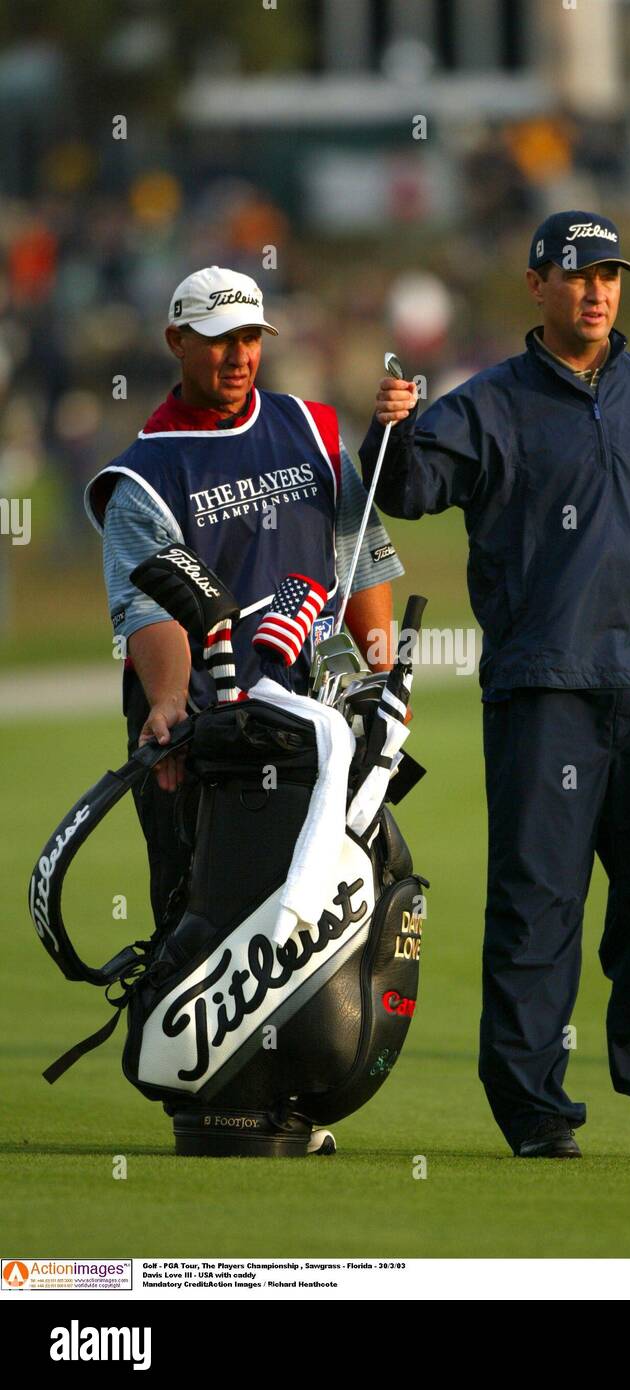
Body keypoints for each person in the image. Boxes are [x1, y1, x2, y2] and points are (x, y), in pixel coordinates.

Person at [360, 211, 630, 1160]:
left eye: (608, 274)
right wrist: (396, 430)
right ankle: (533, 1107)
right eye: (576, 274)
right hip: (545, 689)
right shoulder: (487, 402)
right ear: (536, 285)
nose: (595, 290)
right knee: (538, 904)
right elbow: (407, 492)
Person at [84, 265, 404, 938]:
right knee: (196, 919)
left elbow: (359, 551)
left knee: (319, 915)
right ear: (177, 340)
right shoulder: (143, 476)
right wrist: (170, 702)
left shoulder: (310, 427)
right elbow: (149, 610)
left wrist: (383, 676)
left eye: (251, 337)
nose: (240, 356)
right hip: (195, 723)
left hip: (310, 710)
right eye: (219, 338)